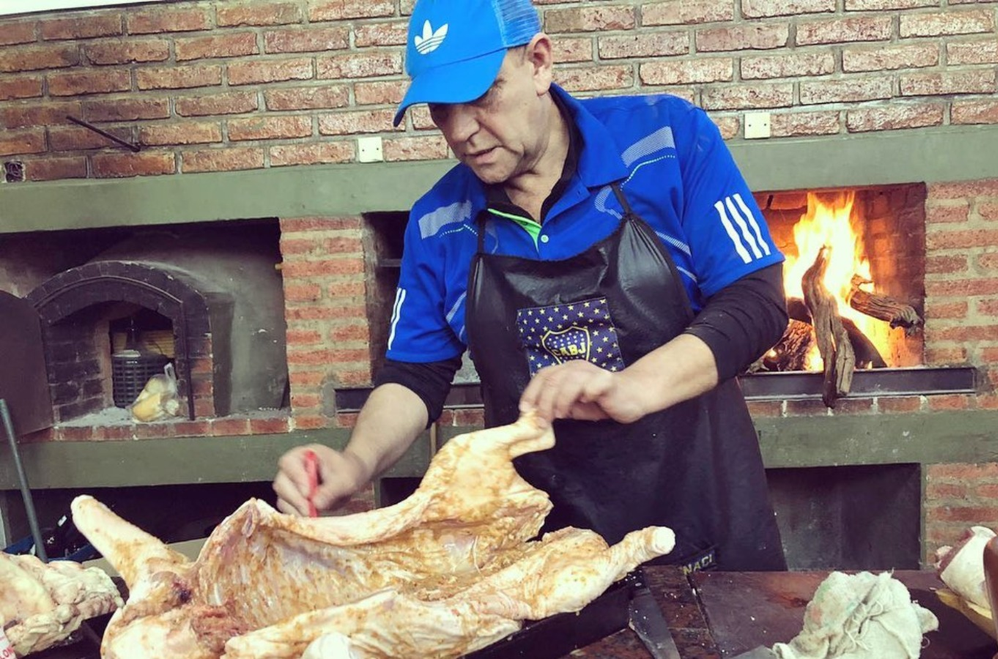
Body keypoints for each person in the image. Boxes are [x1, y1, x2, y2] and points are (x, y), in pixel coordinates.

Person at [274, 0, 789, 572]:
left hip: (704, 526)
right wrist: (355, 464)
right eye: (443, 110)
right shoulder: (439, 222)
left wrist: (634, 388)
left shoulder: (666, 141)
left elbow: (756, 298)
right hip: (541, 554)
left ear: (539, 62)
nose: (463, 130)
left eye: (482, 95)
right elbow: (415, 375)